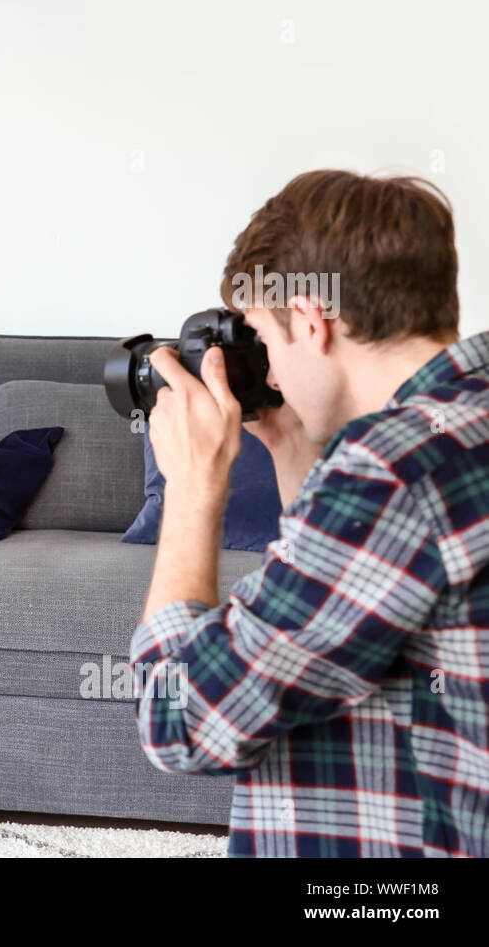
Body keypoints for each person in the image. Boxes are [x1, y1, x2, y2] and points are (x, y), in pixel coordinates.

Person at [132, 169, 489, 856]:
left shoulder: (391, 471)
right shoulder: (457, 427)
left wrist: (192, 490)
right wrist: (297, 454)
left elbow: (180, 720)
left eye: (264, 336)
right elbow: (350, 628)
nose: (268, 374)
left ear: (313, 320)